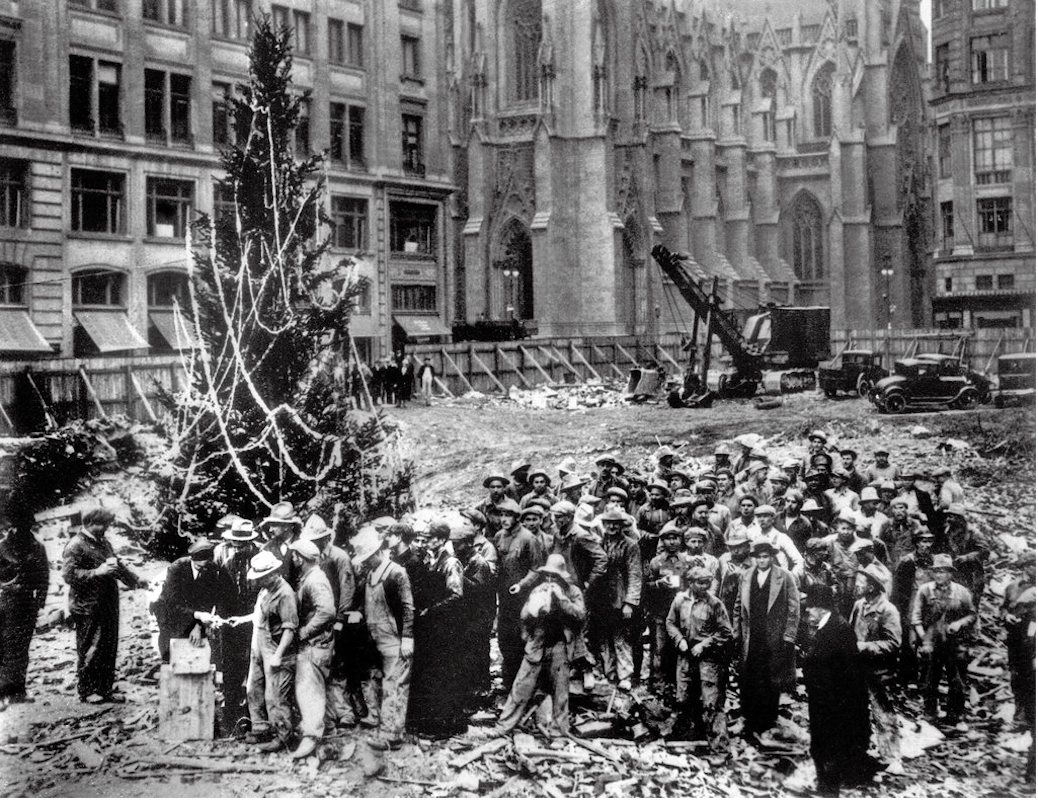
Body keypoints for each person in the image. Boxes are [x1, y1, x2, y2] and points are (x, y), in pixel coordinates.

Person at [491, 554, 586, 738]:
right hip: (537, 644)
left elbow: (580, 615)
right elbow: (524, 614)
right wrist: (537, 607)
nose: (551, 580)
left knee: (560, 692)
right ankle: (504, 726)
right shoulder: (538, 589)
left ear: (562, 576)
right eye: (548, 576)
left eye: (555, 576)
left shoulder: (572, 592)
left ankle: (559, 731)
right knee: (521, 687)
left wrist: (561, 601)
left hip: (560, 645)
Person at [62, 507, 148, 704]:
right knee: (91, 648)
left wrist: (136, 580)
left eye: (107, 525)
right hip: (88, 606)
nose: (106, 529)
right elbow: (69, 575)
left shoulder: (103, 543)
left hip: (108, 603)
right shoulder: (75, 546)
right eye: (103, 525)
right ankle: (87, 690)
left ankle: (105, 689)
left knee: (109, 647)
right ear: (90, 523)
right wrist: (96, 572)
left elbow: (115, 565)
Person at [801, 584, 874, 796]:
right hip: (824, 697)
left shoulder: (839, 629)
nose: (808, 612)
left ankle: (829, 789)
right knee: (823, 743)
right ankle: (826, 782)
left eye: (811, 608)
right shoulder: (827, 627)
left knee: (829, 744)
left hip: (833, 700)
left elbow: (846, 670)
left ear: (822, 608)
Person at [351, 525, 414, 750]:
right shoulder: (369, 574)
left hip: (395, 640)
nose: (366, 563)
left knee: (394, 686)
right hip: (376, 638)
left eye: (368, 558)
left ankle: (392, 735)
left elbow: (408, 608)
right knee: (383, 683)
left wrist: (407, 638)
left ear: (378, 552)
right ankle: (386, 726)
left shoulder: (397, 573)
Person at [301, 514, 364, 731]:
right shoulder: (316, 558)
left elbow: (348, 590)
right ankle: (329, 715)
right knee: (325, 667)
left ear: (323, 538)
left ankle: (346, 713)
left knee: (340, 666)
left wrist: (339, 621)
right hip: (323, 620)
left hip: (340, 619)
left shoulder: (339, 557)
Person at [733, 540, 799, 740]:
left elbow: (794, 609)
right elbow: (738, 606)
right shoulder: (745, 576)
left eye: (766, 556)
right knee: (748, 675)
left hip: (774, 636)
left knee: (772, 676)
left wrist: (788, 635)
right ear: (754, 558)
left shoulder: (785, 577)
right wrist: (737, 631)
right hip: (751, 635)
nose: (762, 560)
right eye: (759, 557)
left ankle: (768, 719)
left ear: (772, 557)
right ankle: (748, 718)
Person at [666, 565, 733, 754]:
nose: (705, 587)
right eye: (701, 583)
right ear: (691, 583)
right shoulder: (680, 600)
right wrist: (679, 640)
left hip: (708, 659)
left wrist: (704, 644)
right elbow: (670, 623)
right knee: (684, 698)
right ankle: (690, 739)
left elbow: (726, 632)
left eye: (708, 583)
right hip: (685, 656)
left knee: (711, 702)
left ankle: (720, 749)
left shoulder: (715, 603)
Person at [409, 521, 466, 738]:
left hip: (445, 627)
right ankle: (431, 722)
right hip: (431, 627)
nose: (426, 541)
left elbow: (456, 596)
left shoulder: (450, 563)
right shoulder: (429, 560)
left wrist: (431, 611)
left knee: (444, 674)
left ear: (441, 539)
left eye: (431, 537)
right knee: (431, 673)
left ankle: (446, 726)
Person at [910, 554, 976, 730]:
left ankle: (957, 715)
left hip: (955, 642)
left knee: (957, 680)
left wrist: (958, 623)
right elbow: (915, 617)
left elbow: (972, 614)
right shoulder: (924, 590)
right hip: (932, 641)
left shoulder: (961, 592)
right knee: (930, 678)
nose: (939, 575)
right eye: (936, 572)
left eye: (943, 572)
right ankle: (930, 713)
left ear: (950, 574)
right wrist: (924, 638)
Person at [849, 565, 904, 775]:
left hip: (880, 671)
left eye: (861, 582)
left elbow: (893, 644)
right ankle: (859, 753)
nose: (857, 585)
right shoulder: (858, 605)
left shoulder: (888, 611)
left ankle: (892, 757)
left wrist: (865, 647)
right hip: (857, 668)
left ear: (872, 586)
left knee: (883, 714)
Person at [549, 500, 607, 690]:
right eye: (554, 516)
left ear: (570, 517)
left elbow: (601, 559)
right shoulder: (558, 534)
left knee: (581, 629)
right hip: (561, 584)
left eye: (559, 517)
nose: (555, 520)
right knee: (565, 628)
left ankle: (588, 669)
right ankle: (576, 665)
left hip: (578, 589)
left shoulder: (581, 536)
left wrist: (589, 583)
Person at [244, 550, 298, 753]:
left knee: (275, 696)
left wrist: (277, 655)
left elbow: (289, 628)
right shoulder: (265, 590)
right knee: (253, 687)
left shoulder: (285, 594)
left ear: (273, 573)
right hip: (258, 643)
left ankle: (282, 736)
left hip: (275, 647)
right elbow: (260, 615)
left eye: (263, 577)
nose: (260, 581)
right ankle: (260, 728)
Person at [288, 539, 336, 759]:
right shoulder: (310, 578)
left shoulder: (315, 580)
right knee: (317, 690)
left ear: (301, 558)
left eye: (295, 556)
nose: (294, 559)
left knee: (309, 691)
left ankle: (311, 737)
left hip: (314, 645)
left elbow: (326, 611)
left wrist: (304, 632)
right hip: (316, 644)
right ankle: (327, 734)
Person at [493, 497, 547, 692]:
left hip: (523, 597)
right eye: (501, 515)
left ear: (517, 517)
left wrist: (521, 585)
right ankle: (509, 680)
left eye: (508, 515)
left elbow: (536, 569)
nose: (504, 519)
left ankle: (527, 683)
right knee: (504, 637)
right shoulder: (499, 536)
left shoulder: (527, 538)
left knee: (523, 636)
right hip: (505, 597)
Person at [213, 518, 261, 735]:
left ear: (251, 542)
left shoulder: (261, 557)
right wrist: (220, 617)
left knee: (253, 664)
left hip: (255, 615)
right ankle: (231, 714)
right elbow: (218, 589)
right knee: (230, 664)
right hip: (230, 618)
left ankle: (253, 714)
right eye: (235, 543)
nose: (238, 547)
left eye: (242, 544)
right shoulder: (225, 558)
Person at [153, 539, 234, 663]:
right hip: (168, 611)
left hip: (194, 611)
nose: (203, 569)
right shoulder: (176, 569)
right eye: (199, 566)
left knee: (194, 645)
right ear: (192, 560)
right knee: (171, 645)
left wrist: (197, 625)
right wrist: (197, 616)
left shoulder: (211, 570)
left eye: (205, 566)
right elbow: (173, 602)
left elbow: (207, 602)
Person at [589, 507, 642, 691]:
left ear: (622, 525)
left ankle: (625, 675)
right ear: (603, 525)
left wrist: (630, 602)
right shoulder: (598, 543)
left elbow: (635, 575)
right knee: (603, 636)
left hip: (620, 596)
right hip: (601, 598)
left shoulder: (630, 545)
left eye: (616, 523)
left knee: (622, 637)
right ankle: (609, 672)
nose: (612, 527)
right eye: (608, 523)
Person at [0, 506, 49, 706]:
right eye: (19, 527)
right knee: (3, 649)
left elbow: (44, 576)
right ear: (12, 526)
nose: (22, 530)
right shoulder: (2, 547)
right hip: (4, 604)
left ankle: (19, 691)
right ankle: (2, 694)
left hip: (27, 604)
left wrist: (40, 602)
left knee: (21, 650)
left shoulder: (37, 546)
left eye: (27, 526)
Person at [452, 520, 496, 709]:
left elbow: (477, 589)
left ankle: (481, 694)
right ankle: (472, 693)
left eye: (457, 543)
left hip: (480, 617)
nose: (454, 547)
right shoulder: (464, 561)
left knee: (478, 654)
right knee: (467, 656)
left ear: (468, 543)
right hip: (468, 616)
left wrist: (458, 577)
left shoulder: (479, 563)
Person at [645, 523, 692, 692]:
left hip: (682, 612)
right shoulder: (655, 562)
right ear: (662, 541)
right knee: (659, 647)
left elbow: (693, 583)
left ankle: (677, 684)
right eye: (668, 538)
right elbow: (646, 585)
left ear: (681, 540)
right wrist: (658, 584)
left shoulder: (687, 561)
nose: (672, 542)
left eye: (675, 538)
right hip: (660, 611)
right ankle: (657, 685)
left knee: (679, 646)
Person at [891, 529, 935, 689]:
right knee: (910, 642)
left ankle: (925, 679)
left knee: (928, 640)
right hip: (911, 605)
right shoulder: (907, 561)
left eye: (929, 541)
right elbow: (897, 590)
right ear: (916, 543)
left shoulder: (933, 561)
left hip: (929, 605)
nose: (927, 545)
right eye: (923, 541)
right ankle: (907, 678)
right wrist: (899, 611)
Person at [1003, 551, 1036, 729]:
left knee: (1032, 676)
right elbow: (1003, 608)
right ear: (1025, 568)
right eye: (1033, 565)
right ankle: (1020, 713)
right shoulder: (1012, 587)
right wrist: (1006, 616)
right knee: (1017, 675)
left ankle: (1031, 716)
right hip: (1016, 638)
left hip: (1034, 638)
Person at [943, 504, 989, 603]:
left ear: (959, 518)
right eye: (948, 516)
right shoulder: (948, 531)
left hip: (972, 574)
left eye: (951, 516)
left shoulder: (973, 533)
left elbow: (985, 551)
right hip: (954, 573)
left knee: (969, 604)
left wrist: (967, 557)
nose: (948, 519)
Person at [260, 502, 302, 587]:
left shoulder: (302, 547)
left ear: (286, 526)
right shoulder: (267, 548)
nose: (270, 530)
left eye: (274, 525)